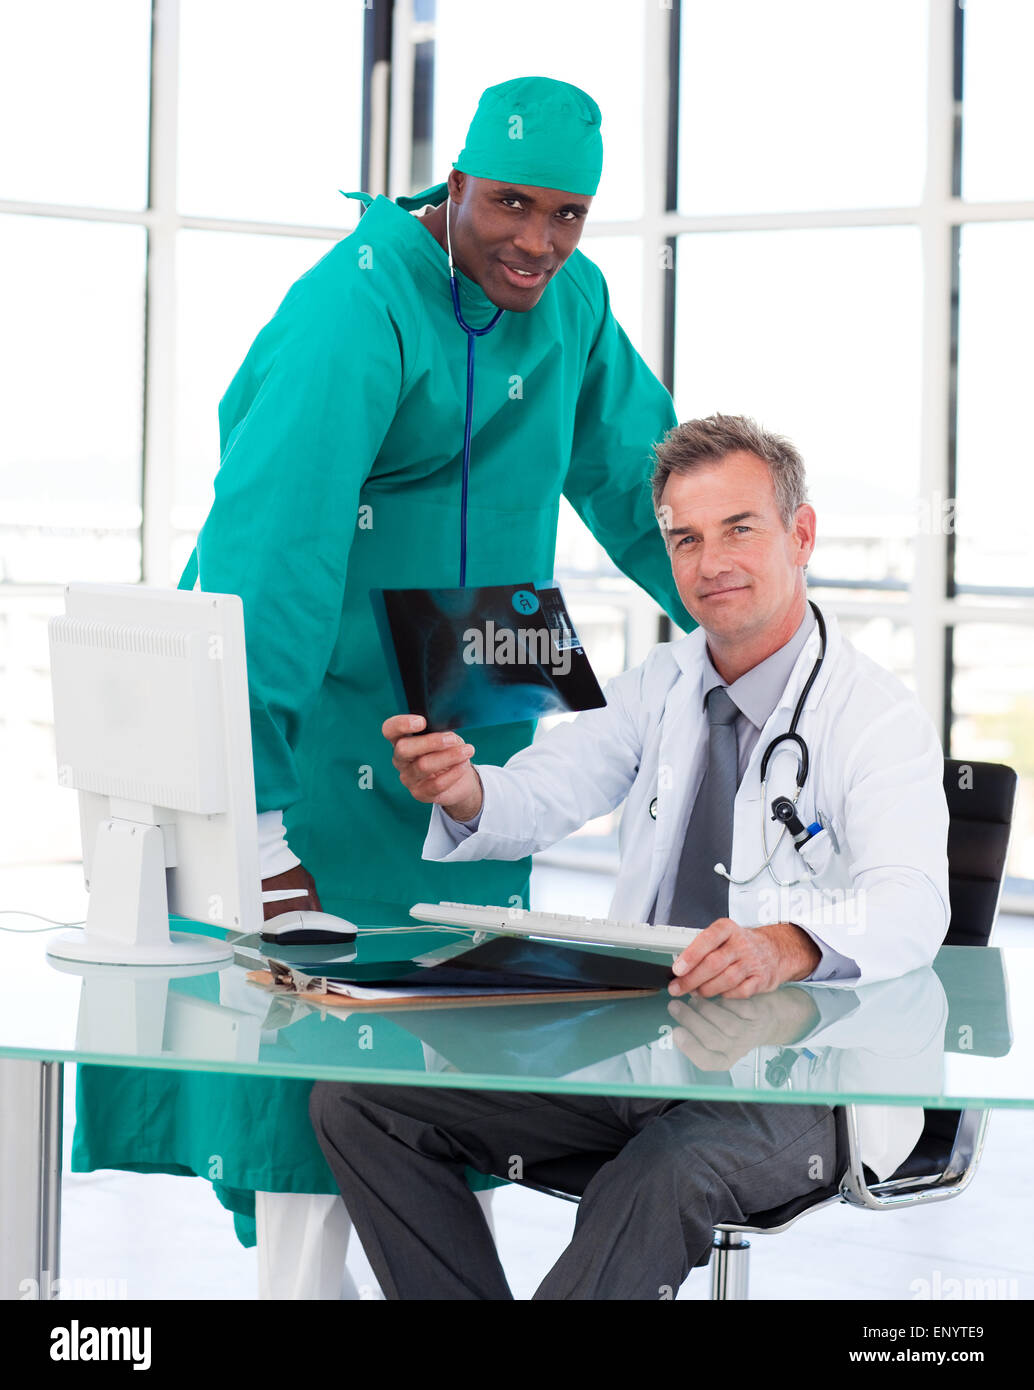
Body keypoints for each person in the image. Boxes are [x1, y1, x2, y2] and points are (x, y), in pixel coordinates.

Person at [71, 76, 693, 1298]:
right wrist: (249, 806)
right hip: (318, 704)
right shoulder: (352, 309)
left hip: (484, 684)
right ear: (450, 184)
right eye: (510, 203)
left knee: (461, 1035)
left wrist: (742, 611)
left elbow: (637, 474)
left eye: (567, 213)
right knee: (316, 1038)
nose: (537, 240)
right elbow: (273, 553)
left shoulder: (572, 300)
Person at [309, 412, 951, 1299]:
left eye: (739, 529)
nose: (710, 561)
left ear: (800, 535)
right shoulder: (662, 682)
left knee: (660, 1176)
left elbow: (913, 901)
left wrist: (787, 945)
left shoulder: (876, 717)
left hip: (804, 1079)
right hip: (644, 1049)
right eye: (685, 539)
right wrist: (465, 790)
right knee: (360, 1101)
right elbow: (549, 787)